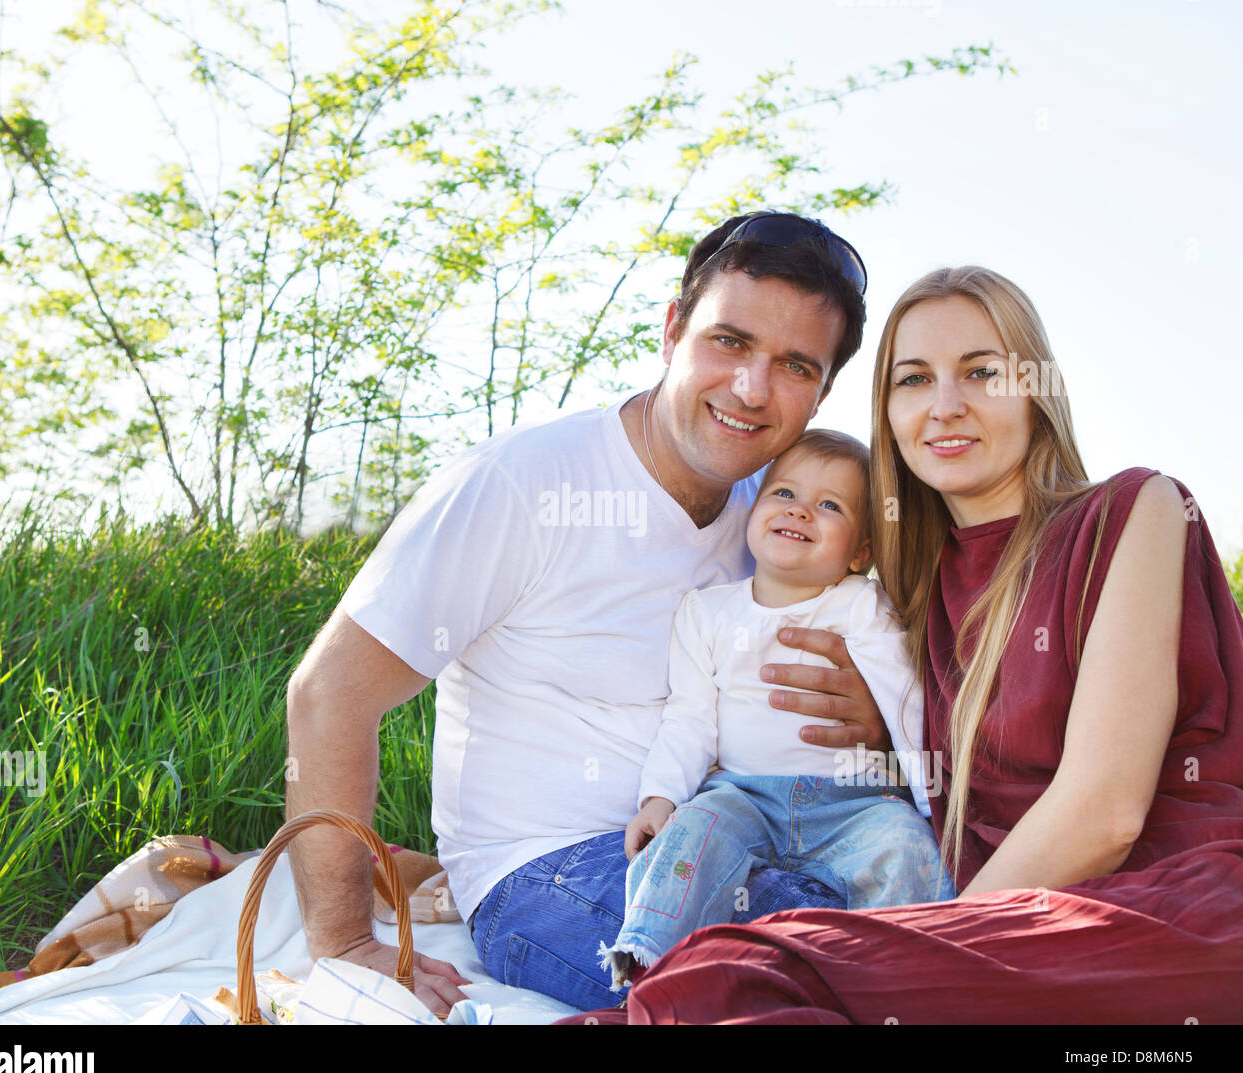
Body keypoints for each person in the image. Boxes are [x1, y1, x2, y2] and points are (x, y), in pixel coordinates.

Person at [566, 265, 1243, 1024]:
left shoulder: (1135, 510)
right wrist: (873, 743)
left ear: (1035, 387)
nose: (946, 407)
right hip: (983, 918)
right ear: (887, 411)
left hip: (1144, 903)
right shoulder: (902, 585)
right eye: (914, 379)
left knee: (748, 976)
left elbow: (1106, 813)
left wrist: (918, 943)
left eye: (982, 372)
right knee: (730, 974)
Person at [284, 211, 898, 1016]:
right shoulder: (524, 483)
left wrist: (874, 722)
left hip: (737, 841)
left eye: (794, 365)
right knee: (784, 986)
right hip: (547, 870)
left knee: (916, 942)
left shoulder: (781, 518)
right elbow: (330, 693)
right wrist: (345, 945)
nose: (751, 388)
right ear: (673, 329)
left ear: (821, 393)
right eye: (731, 341)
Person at [600, 429, 954, 989]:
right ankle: (647, 958)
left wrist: (933, 803)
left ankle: (899, 977)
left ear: (861, 552)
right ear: (756, 508)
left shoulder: (859, 604)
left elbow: (902, 699)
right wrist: (660, 797)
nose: (801, 511)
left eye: (830, 505)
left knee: (907, 844)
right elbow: (690, 718)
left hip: (853, 802)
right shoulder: (707, 613)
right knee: (692, 832)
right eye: (783, 493)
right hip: (744, 794)